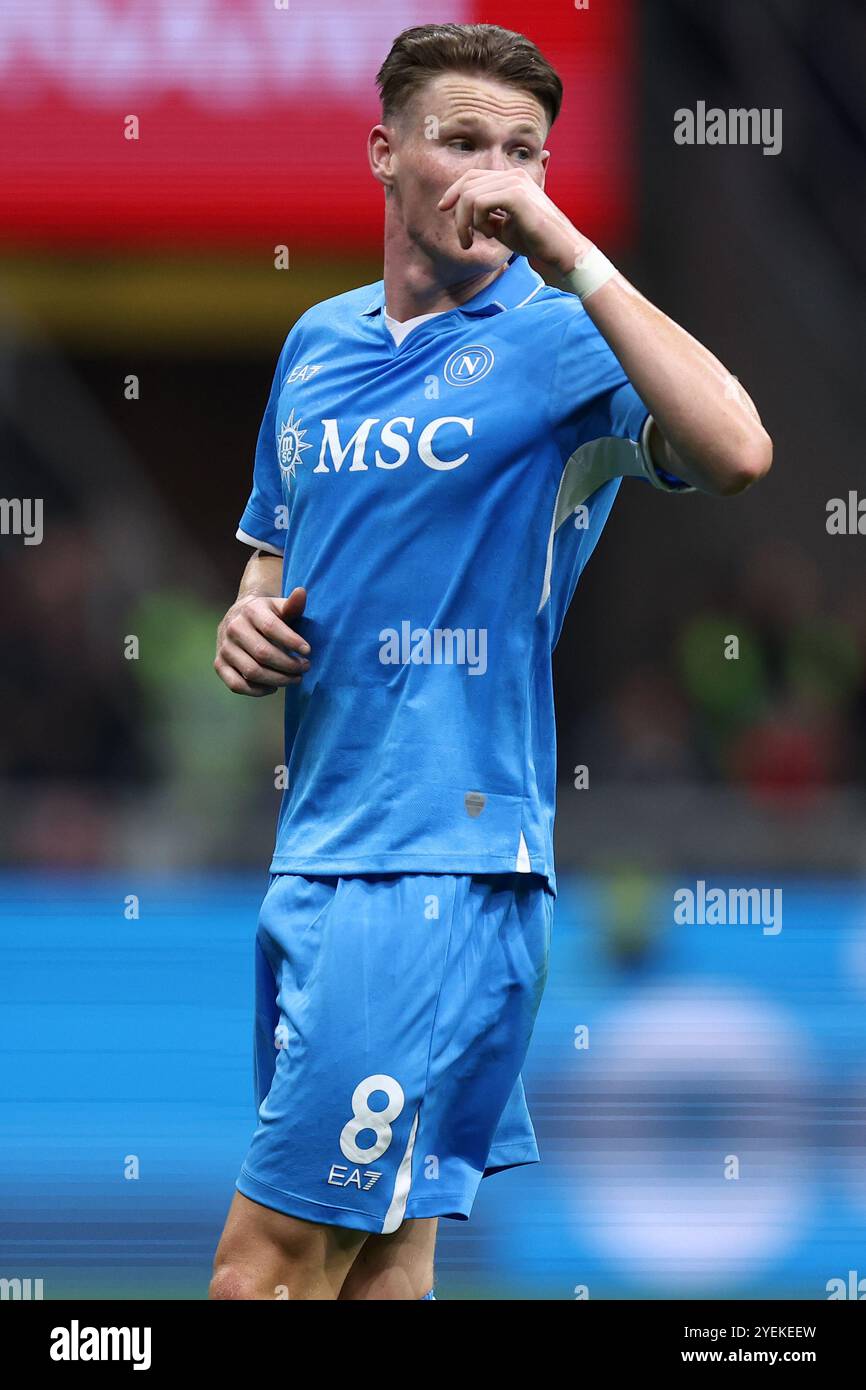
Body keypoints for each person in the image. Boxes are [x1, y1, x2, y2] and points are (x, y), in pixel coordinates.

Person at [209, 22, 771, 1301]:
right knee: (379, 1265)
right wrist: (244, 619)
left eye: (523, 152)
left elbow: (738, 449)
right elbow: (267, 555)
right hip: (319, 854)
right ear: (384, 152)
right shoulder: (315, 346)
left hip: (440, 864)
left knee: (264, 1275)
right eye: (462, 142)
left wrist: (578, 261)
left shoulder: (567, 340)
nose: (495, 177)